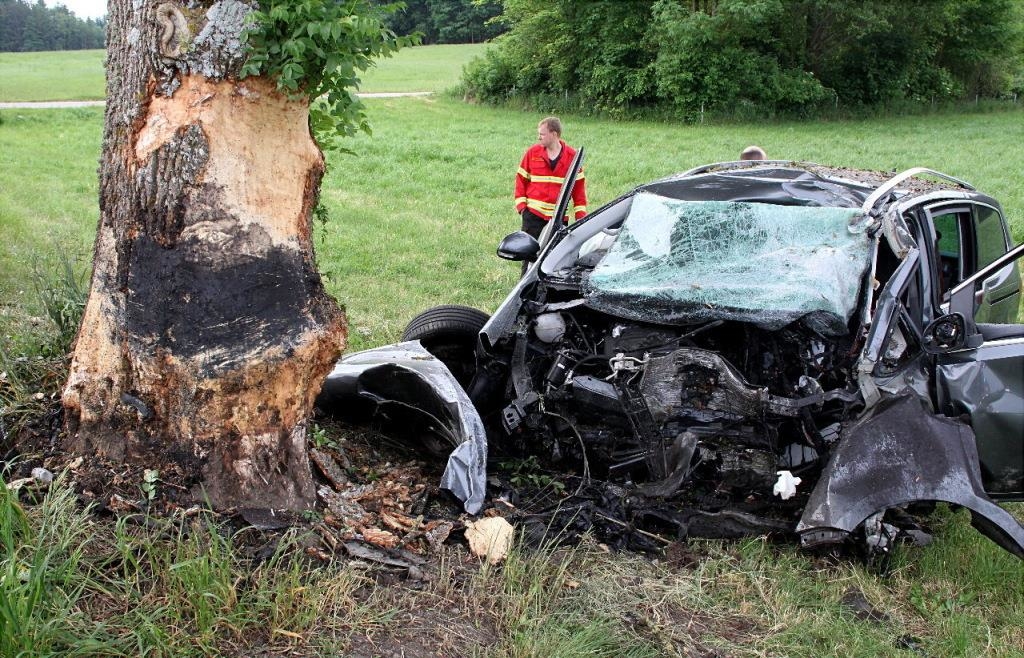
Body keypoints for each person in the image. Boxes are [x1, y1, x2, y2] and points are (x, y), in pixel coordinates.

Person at [514, 117, 588, 241]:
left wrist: (580, 216)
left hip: (558, 219)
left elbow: (579, 190)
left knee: (555, 257)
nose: (539, 137)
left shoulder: (572, 157)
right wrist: (522, 208)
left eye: (542, 134)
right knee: (529, 256)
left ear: (554, 134)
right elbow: (520, 180)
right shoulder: (532, 153)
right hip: (533, 216)